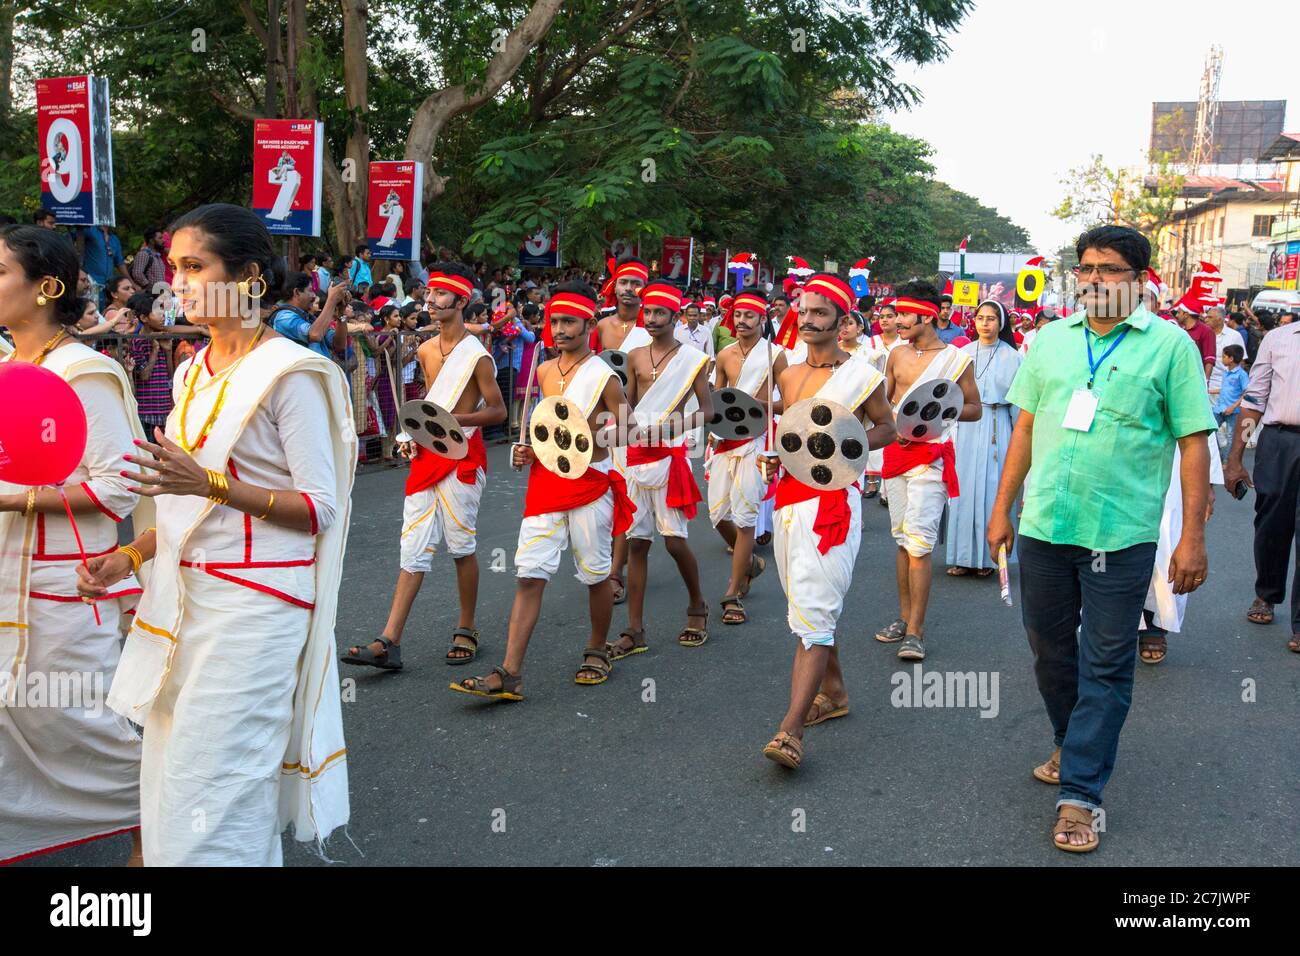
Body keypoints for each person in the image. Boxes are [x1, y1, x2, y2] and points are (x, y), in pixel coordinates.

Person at [83, 203, 357, 865]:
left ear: (249, 275)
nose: (176, 281)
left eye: (193, 266)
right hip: (184, 602)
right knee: (174, 782)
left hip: (256, 611)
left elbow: (320, 507)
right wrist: (129, 555)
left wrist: (209, 483)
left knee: (222, 790)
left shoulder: (293, 373)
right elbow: (185, 508)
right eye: (174, 267)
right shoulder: (190, 370)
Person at [987, 225, 1215, 852]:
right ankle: (1071, 742)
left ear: (1139, 280)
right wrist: (1002, 508)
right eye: (1086, 268)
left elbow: (1195, 440)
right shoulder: (1051, 342)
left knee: (1108, 662)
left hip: (1122, 533)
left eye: (1109, 270)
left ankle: (1080, 795)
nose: (1093, 280)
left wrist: (1191, 536)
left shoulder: (1170, 348)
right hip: (1045, 526)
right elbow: (1026, 428)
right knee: (1050, 652)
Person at [0, 225, 147, 866]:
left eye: (0, 270)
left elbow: (119, 485)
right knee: (13, 726)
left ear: (47, 287)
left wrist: (14, 500)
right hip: (6, 577)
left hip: (65, 586)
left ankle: (159, 816)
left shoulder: (85, 372)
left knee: (79, 723)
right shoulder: (9, 369)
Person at [449, 282, 634, 698]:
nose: (560, 329)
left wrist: (596, 432)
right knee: (529, 574)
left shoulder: (604, 375)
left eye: (569, 321)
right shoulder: (545, 369)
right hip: (546, 485)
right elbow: (549, 430)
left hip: (590, 484)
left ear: (589, 323)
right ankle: (510, 671)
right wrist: (529, 450)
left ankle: (596, 648)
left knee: (594, 574)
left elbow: (629, 426)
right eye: (555, 321)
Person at [755, 273, 896, 770]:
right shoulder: (788, 376)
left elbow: (887, 428)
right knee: (806, 605)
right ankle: (833, 692)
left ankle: (790, 730)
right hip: (790, 498)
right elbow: (793, 441)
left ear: (842, 320)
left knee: (814, 612)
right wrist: (776, 459)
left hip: (833, 503)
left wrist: (850, 447)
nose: (810, 319)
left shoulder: (862, 375)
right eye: (805, 311)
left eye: (820, 312)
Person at [342, 263, 506, 671]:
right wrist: (410, 437)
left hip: (464, 457)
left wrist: (457, 422)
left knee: (461, 546)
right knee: (412, 548)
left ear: (461, 302)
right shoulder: (427, 350)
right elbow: (427, 405)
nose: (430, 301)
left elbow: (498, 411)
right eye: (429, 294)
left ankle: (466, 627)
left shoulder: (478, 356)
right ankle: (390, 640)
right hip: (429, 456)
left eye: (440, 295)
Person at [875, 281, 981, 660]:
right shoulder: (896, 355)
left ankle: (916, 633)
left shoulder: (956, 359)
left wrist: (932, 417)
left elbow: (974, 408)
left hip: (931, 459)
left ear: (927, 315)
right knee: (903, 540)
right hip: (895, 457)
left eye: (904, 314)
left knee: (919, 544)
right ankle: (904, 618)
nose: (897, 321)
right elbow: (884, 403)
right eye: (897, 313)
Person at [613, 281, 714, 656]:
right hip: (636, 455)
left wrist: (674, 426)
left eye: (660, 313)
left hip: (669, 455)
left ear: (676, 316)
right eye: (648, 312)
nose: (652, 319)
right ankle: (634, 629)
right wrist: (614, 429)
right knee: (637, 543)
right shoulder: (636, 355)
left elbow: (709, 410)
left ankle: (697, 605)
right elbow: (631, 405)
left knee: (674, 542)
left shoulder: (692, 359)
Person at [1223, 308, 1300, 653]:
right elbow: (1254, 402)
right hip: (1280, 441)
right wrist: (1235, 458)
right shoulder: (1279, 339)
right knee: (1271, 522)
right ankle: (1266, 595)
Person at [707, 289, 786, 625]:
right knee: (716, 515)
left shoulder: (776, 355)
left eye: (749, 316)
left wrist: (761, 407)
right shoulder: (724, 354)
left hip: (757, 441)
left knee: (745, 519)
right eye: (738, 315)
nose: (742, 321)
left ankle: (733, 591)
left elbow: (792, 401)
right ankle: (750, 562)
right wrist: (713, 427)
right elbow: (716, 398)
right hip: (725, 440)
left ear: (762, 318)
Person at [946, 300, 1022, 576]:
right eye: (981, 317)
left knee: (993, 489)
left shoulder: (1013, 357)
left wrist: (1017, 438)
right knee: (962, 489)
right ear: (974, 321)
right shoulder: (962, 354)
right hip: (966, 425)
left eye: (992, 318)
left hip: (996, 425)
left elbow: (1016, 404)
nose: (985, 323)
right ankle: (962, 556)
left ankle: (989, 559)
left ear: (1001, 323)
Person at [1211, 344, 1248, 454]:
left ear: (1231, 359)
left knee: (1231, 436)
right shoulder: (1226, 373)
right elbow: (1225, 390)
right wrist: (1209, 391)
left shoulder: (1241, 374)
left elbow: (1246, 393)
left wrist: (1233, 407)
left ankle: (1227, 461)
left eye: (1223, 356)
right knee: (1211, 430)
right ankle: (1219, 456)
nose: (1222, 359)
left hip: (1233, 411)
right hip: (1219, 408)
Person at [129, 227, 168, 293]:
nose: (163, 240)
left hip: (158, 295)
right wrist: (150, 287)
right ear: (151, 241)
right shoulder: (144, 254)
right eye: (160, 238)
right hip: (148, 295)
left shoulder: (157, 256)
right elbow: (137, 274)